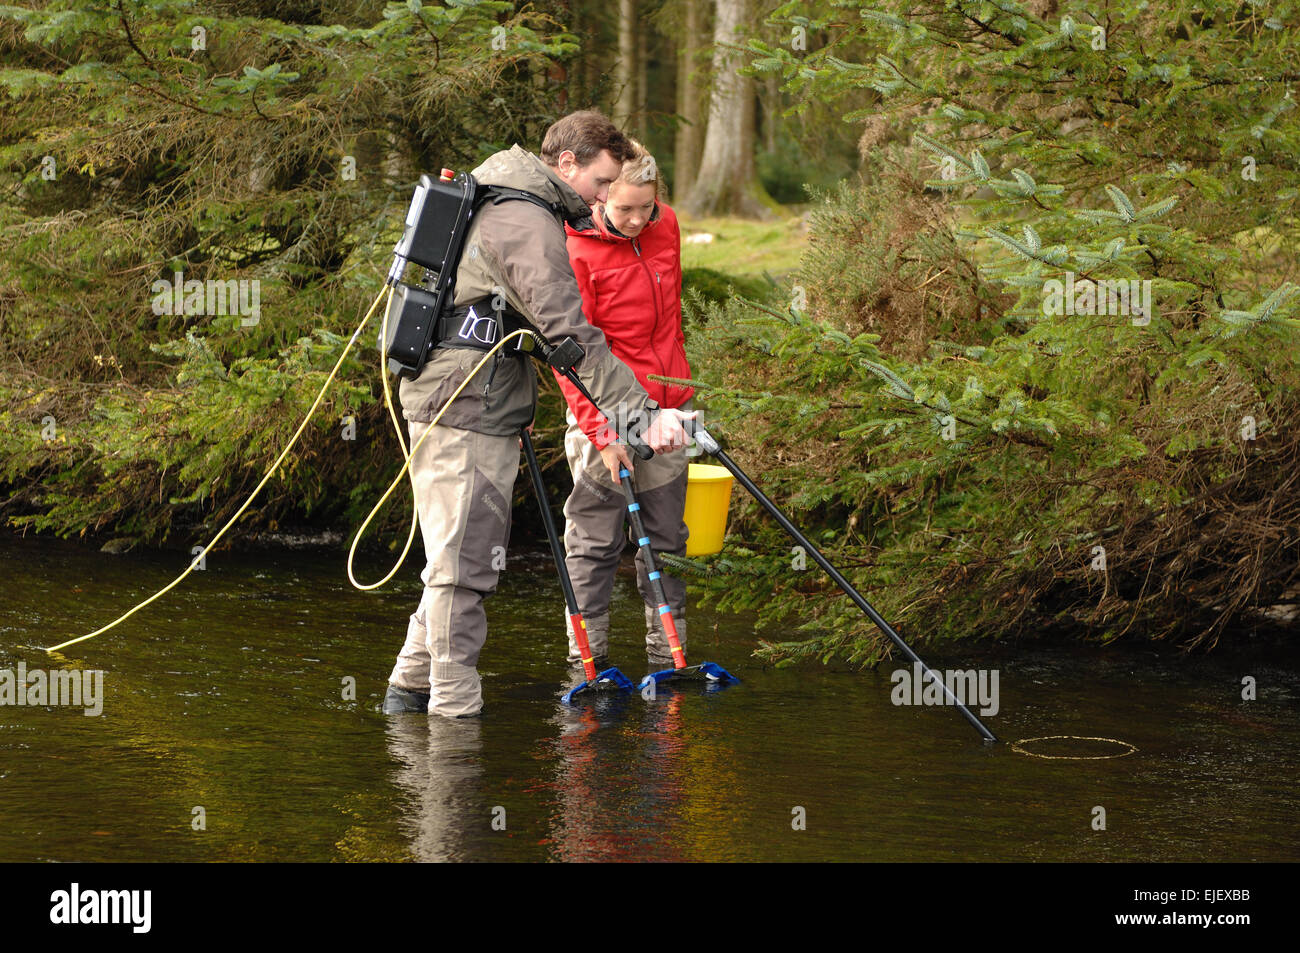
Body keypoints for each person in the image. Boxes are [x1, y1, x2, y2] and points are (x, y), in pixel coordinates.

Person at [383, 112, 697, 718]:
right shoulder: (524, 219)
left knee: (455, 557)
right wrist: (639, 412)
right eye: (602, 183)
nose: (606, 198)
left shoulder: (517, 199)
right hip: (462, 406)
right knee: (463, 566)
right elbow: (570, 332)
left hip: (478, 400)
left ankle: (408, 690)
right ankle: (454, 717)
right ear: (567, 164)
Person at [554, 140, 695, 671]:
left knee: (666, 539)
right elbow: (569, 354)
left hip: (667, 408)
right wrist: (603, 432)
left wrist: (675, 397)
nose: (638, 220)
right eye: (623, 209)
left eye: (647, 207)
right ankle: (586, 659)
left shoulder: (668, 225)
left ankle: (668, 653)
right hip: (604, 409)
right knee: (593, 544)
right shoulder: (573, 249)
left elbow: (670, 317)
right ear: (599, 198)